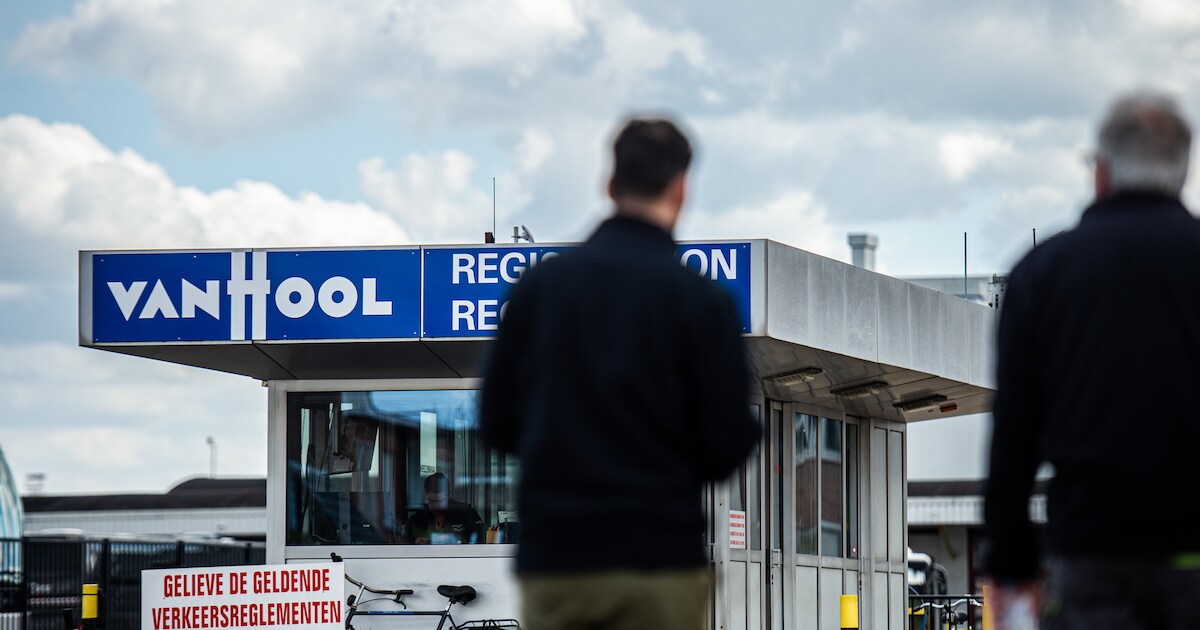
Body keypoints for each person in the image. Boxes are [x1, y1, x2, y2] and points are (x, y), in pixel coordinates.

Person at [480, 117, 761, 630]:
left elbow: (497, 421)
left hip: (559, 558)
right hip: (660, 558)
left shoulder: (538, 291)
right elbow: (726, 445)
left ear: (609, 187)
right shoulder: (702, 303)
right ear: (681, 188)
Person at [983, 90, 1200, 629]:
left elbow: (1014, 435)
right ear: (1181, 171)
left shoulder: (1043, 274)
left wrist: (1012, 566)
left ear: (1101, 171)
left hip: (1091, 554)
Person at [404, 472, 485, 545]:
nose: (435, 505)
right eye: (431, 500)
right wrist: (416, 542)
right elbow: (405, 544)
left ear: (449, 494)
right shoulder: (416, 520)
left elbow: (480, 541)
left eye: (440, 500)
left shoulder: (466, 514)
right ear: (425, 495)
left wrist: (458, 542)